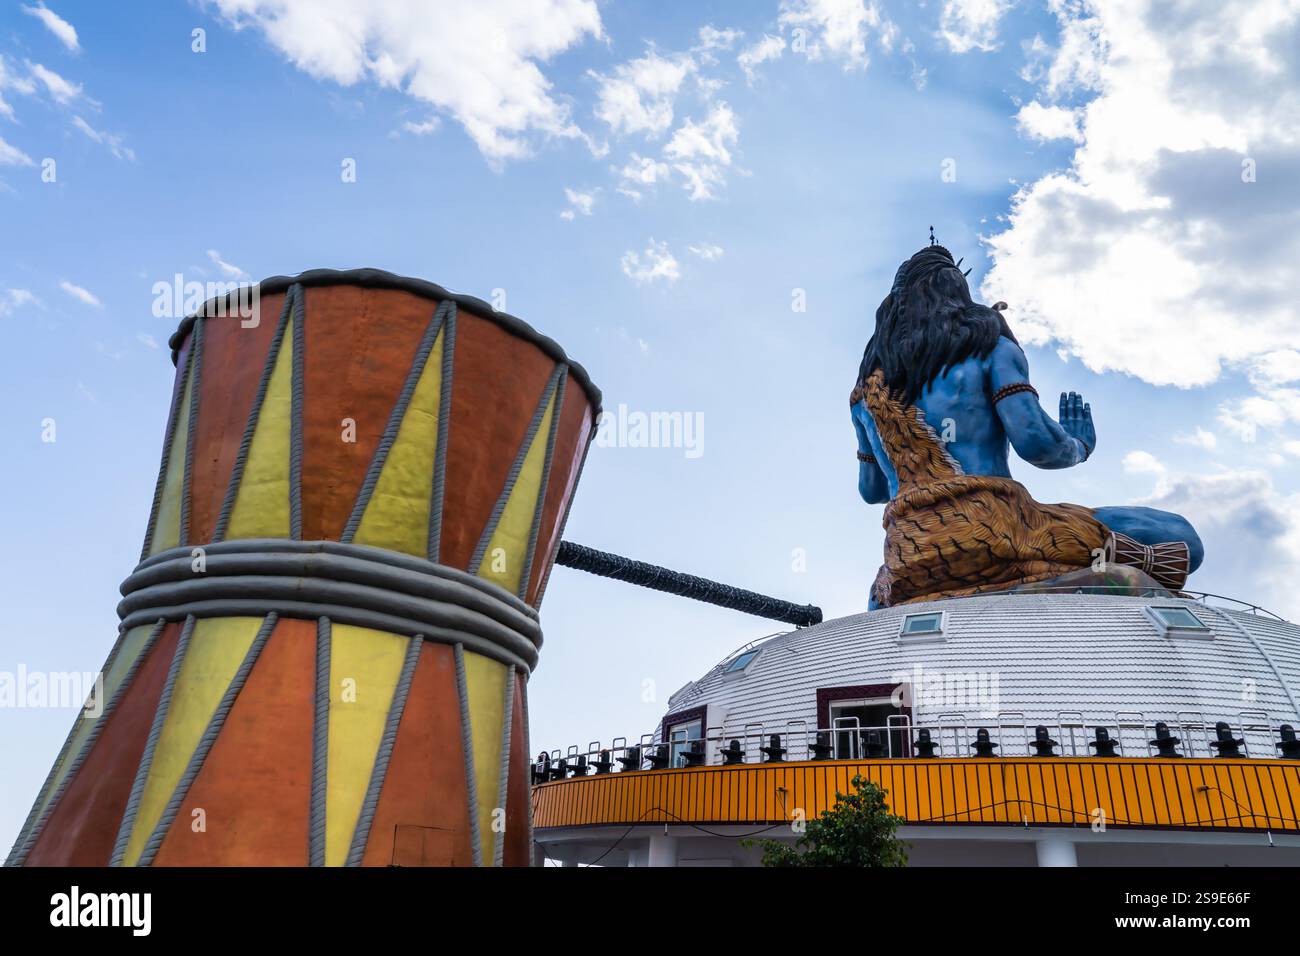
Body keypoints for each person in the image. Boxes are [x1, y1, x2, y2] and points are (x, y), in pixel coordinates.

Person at [852, 240, 1202, 607]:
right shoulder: (989, 347)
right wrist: (1079, 445)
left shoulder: (864, 394)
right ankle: (1046, 576)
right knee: (1181, 536)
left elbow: (872, 491)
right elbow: (1038, 445)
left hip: (910, 551)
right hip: (999, 531)